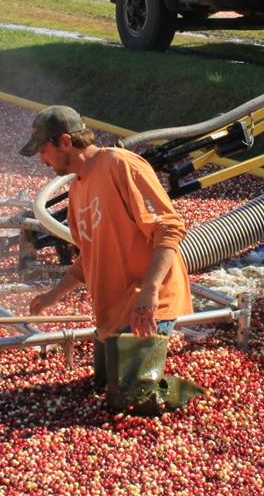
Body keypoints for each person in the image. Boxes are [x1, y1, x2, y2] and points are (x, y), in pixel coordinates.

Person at [22, 105, 202, 414]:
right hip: (115, 310)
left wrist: (150, 291)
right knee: (103, 385)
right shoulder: (78, 188)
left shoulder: (120, 165)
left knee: (135, 400)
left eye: (43, 150)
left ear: (65, 141)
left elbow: (169, 228)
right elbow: (87, 259)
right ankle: (139, 373)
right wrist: (52, 296)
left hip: (146, 304)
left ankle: (194, 395)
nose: (42, 160)